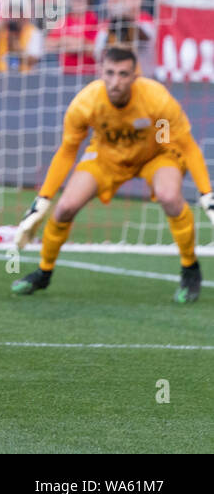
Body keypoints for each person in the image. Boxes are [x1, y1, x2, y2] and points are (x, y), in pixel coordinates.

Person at [12, 47, 214, 304]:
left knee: (169, 196)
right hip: (106, 157)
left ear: (135, 75)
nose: (115, 81)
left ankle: (190, 269)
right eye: (109, 73)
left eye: (123, 74)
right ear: (100, 72)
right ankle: (43, 272)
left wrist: (207, 195)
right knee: (64, 208)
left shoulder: (156, 98)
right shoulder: (86, 103)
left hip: (156, 153)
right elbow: (67, 152)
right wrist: (41, 201)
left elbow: (187, 146)